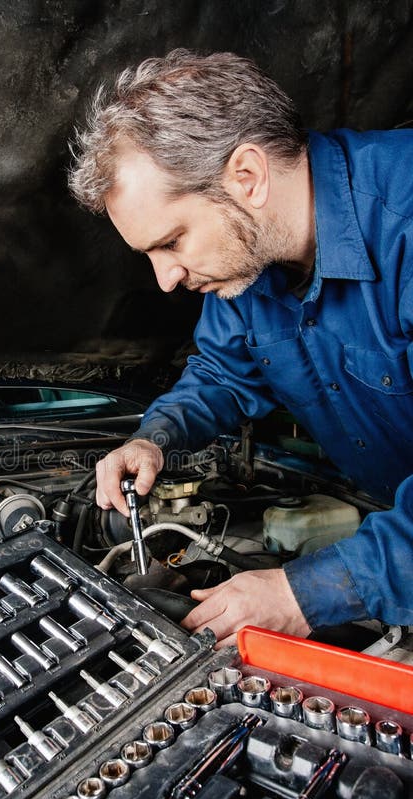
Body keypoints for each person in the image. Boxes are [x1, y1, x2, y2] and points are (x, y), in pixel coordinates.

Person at [68, 49, 413, 647]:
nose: (166, 279)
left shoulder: (404, 225)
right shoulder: (250, 264)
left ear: (247, 177)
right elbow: (224, 373)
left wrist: (301, 593)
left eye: (172, 241)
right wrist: (156, 438)